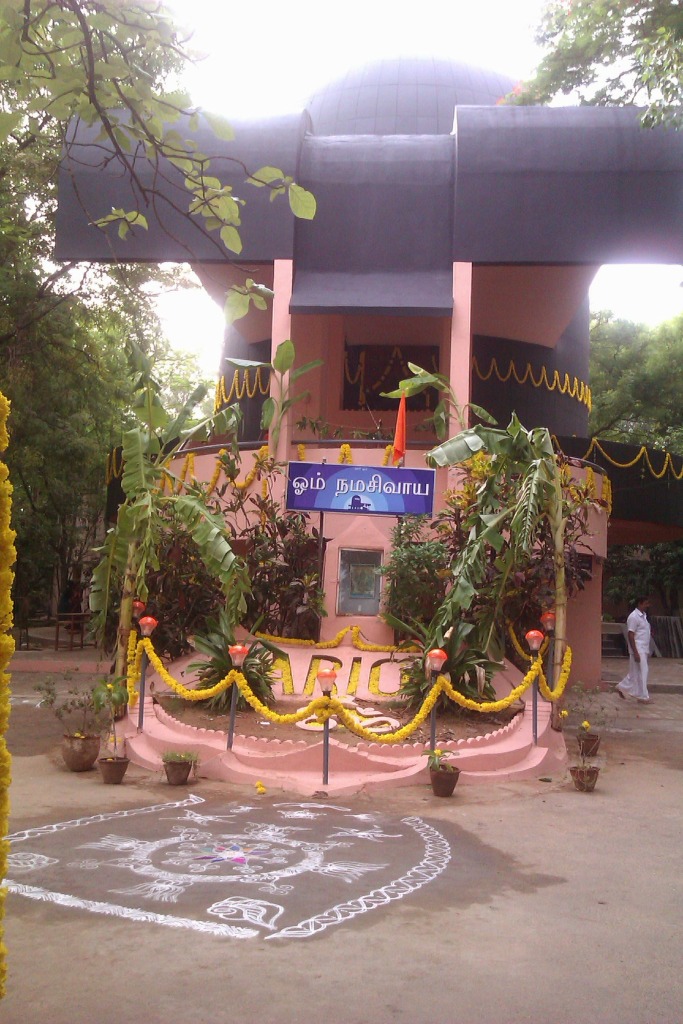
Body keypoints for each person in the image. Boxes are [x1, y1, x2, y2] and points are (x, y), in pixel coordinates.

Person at [616, 596, 652, 703]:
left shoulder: (644, 616)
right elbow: (631, 635)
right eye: (645, 603)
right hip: (638, 648)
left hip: (643, 648)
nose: (647, 606)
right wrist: (636, 652)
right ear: (639, 604)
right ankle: (643, 697)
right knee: (643, 672)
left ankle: (622, 687)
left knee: (635, 673)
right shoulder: (633, 617)